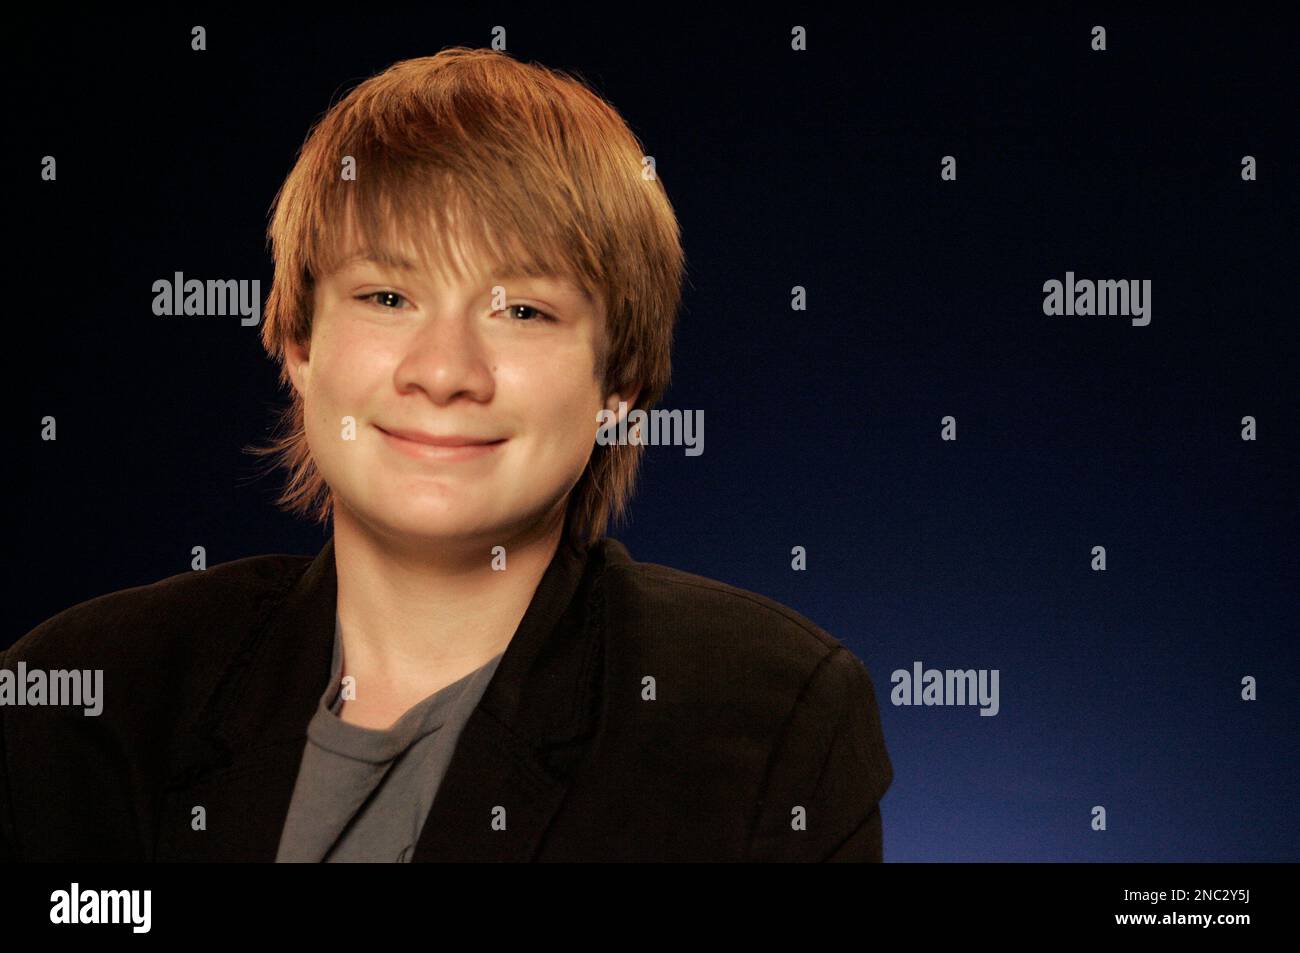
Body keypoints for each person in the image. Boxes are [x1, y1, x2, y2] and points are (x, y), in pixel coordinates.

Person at [0, 46, 893, 862]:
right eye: (388, 295)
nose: (443, 371)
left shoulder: (767, 718)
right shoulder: (87, 694)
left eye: (523, 311)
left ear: (619, 387)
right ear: (299, 346)